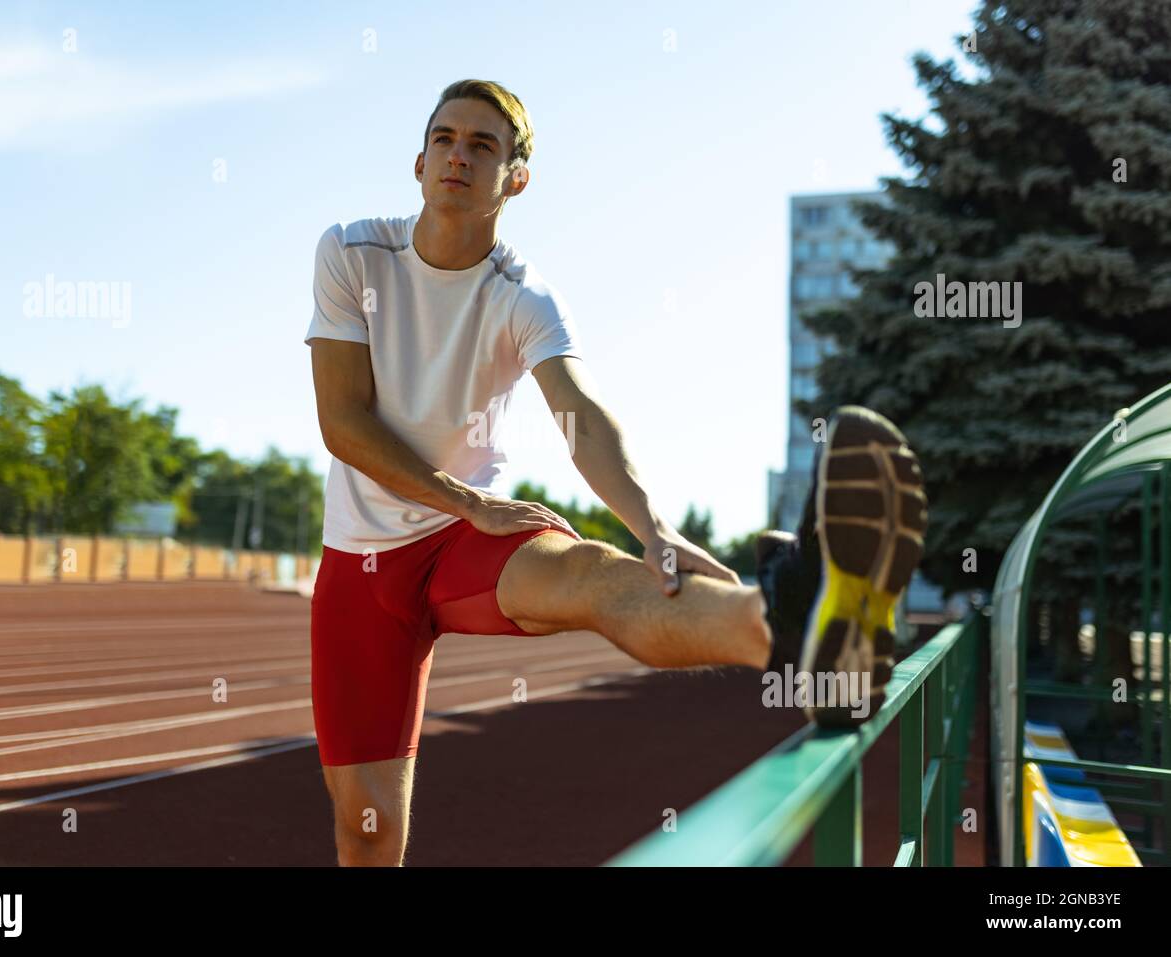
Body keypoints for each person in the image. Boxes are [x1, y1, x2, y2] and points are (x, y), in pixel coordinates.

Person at [305, 79, 928, 867]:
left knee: (599, 575)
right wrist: (467, 496)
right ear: (419, 160)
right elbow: (343, 423)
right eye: (445, 139)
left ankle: (787, 621)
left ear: (516, 177)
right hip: (361, 566)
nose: (458, 155)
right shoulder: (352, 254)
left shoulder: (522, 294)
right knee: (369, 834)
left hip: (464, 540)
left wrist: (653, 528)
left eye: (483, 145)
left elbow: (582, 415)